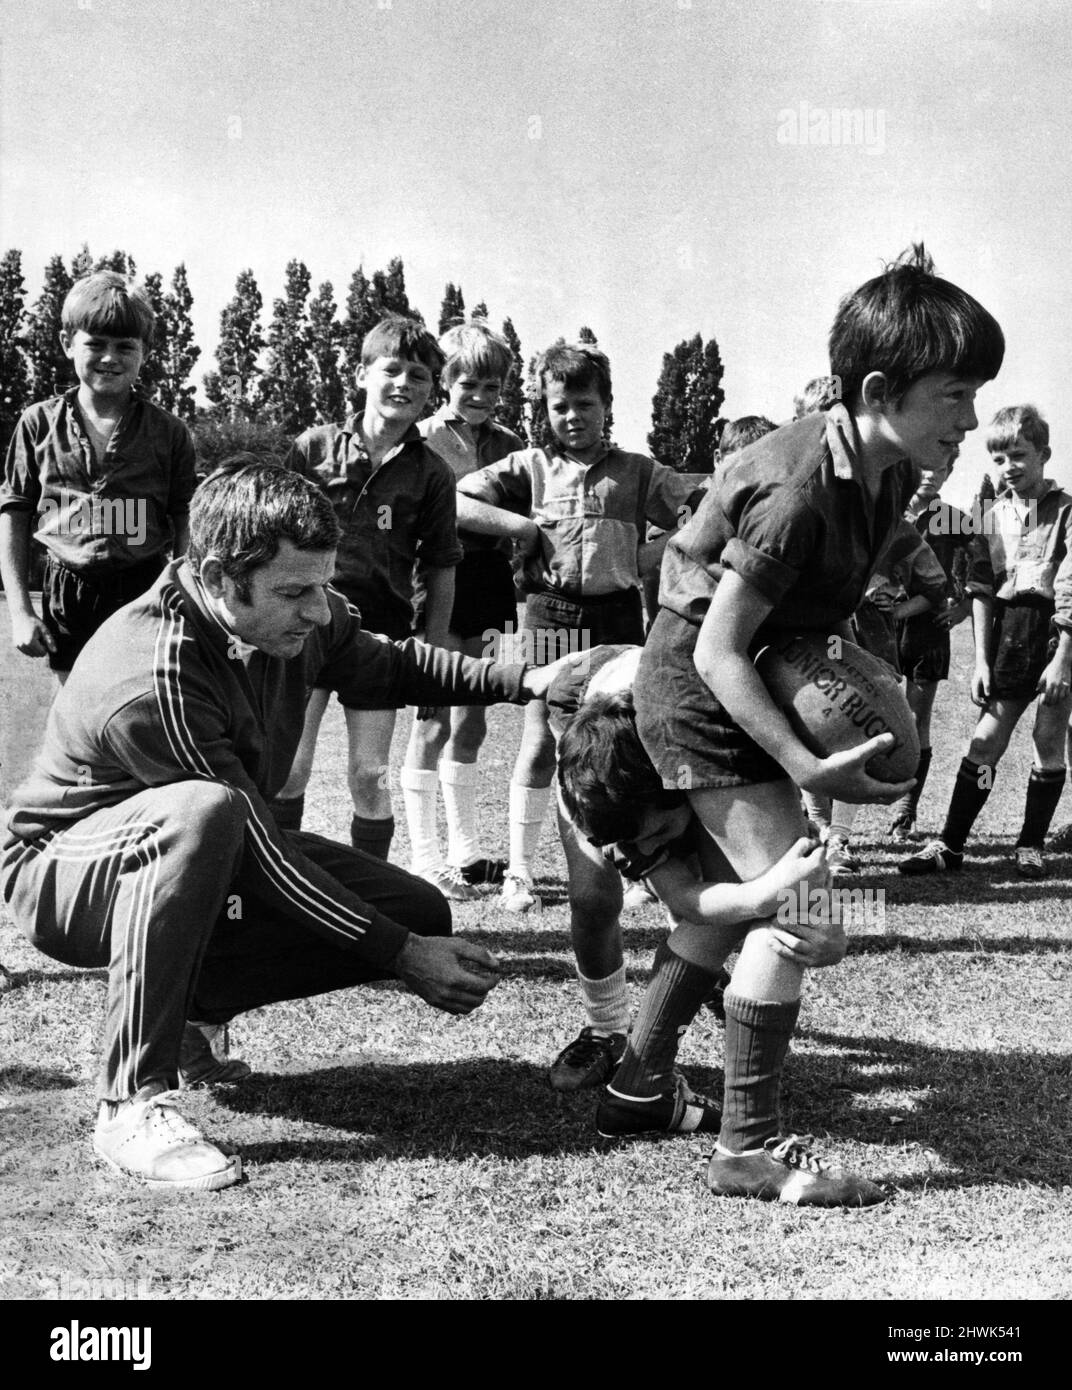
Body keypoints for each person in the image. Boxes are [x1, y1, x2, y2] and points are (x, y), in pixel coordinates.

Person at [0, 462, 573, 1192]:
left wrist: (531, 679)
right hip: (64, 872)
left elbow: (385, 665)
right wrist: (401, 958)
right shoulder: (154, 673)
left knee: (414, 908)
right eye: (294, 592)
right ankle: (130, 1103)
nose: (315, 611)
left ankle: (194, 1013)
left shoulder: (299, 614)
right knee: (204, 813)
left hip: (206, 842)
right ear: (216, 575)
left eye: (322, 585)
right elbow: (258, 851)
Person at [633, 245, 1003, 1205]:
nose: (970, 421)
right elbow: (716, 649)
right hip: (702, 692)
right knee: (804, 922)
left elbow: (818, 614)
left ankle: (635, 1083)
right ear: (879, 388)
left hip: (749, 678)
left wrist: (851, 672)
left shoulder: (882, 474)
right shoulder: (797, 487)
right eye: (955, 397)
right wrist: (807, 761)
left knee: (756, 903)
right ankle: (748, 1149)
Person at [456, 340, 708, 924]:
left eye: (585, 405)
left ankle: (642, 863)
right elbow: (457, 500)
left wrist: (649, 556)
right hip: (550, 612)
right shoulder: (531, 467)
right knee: (542, 740)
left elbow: (701, 508)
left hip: (618, 615)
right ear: (545, 409)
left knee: (632, 739)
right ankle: (519, 872)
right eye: (559, 406)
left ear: (607, 405)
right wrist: (520, 526)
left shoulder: (638, 470)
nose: (572, 418)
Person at [545, 642, 828, 1113]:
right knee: (592, 897)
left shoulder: (704, 740)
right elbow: (685, 900)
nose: (646, 852)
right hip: (584, 707)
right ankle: (605, 1028)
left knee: (725, 862)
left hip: (666, 729)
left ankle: (697, 978)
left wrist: (826, 924)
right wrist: (761, 895)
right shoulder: (613, 797)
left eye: (653, 834)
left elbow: (799, 849)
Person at [275, 315, 461, 863]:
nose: (405, 383)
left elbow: (442, 567)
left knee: (369, 777)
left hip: (377, 638)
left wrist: (432, 655)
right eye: (393, 370)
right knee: (289, 768)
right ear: (361, 374)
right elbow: (271, 539)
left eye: (421, 376)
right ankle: (280, 893)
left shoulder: (432, 473)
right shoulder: (311, 450)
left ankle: (370, 898)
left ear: (433, 391)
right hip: (302, 628)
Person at [900, 405, 1072, 879]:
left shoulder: (1066, 511)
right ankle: (951, 845)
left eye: (1019, 455)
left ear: (1044, 454)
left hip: (1059, 635)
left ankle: (1031, 844)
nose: (1009, 467)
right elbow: (979, 590)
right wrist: (980, 660)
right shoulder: (988, 516)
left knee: (1047, 738)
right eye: (998, 459)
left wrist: (1062, 660)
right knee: (985, 741)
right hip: (1009, 634)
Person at [0, 271, 197, 681]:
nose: (110, 357)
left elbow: (185, 519)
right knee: (73, 718)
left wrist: (185, 597)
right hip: (67, 588)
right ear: (67, 343)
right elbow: (13, 514)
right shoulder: (38, 423)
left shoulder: (170, 432)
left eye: (125, 346)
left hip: (146, 587)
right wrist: (20, 611)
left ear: (145, 352)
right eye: (96, 344)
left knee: (139, 716)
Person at [400, 321, 525, 899]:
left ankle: (466, 852)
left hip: (492, 582)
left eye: (493, 387)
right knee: (433, 717)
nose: (480, 397)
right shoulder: (419, 438)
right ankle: (424, 858)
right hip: (437, 578)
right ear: (445, 381)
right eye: (469, 383)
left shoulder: (510, 446)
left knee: (475, 715)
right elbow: (440, 513)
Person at [887, 462, 975, 840]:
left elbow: (990, 567)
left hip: (928, 631)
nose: (929, 474)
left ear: (950, 471)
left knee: (914, 719)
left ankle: (907, 809)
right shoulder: (888, 511)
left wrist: (966, 607)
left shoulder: (954, 518)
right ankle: (836, 823)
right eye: (921, 467)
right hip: (881, 630)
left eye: (938, 468)